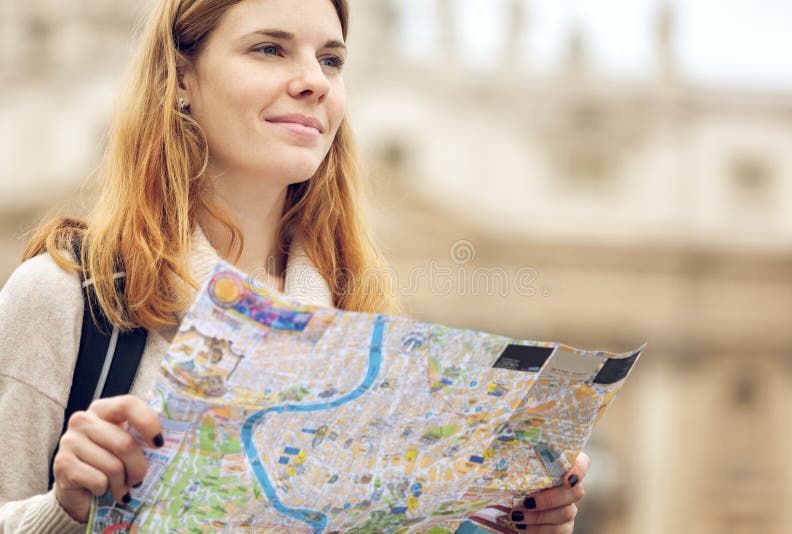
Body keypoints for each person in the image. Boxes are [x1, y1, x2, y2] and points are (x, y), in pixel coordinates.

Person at [0, 0, 589, 532]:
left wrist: (516, 526)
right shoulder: (69, 297)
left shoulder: (366, 329)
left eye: (330, 60)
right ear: (181, 76)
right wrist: (64, 511)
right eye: (269, 49)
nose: (313, 82)